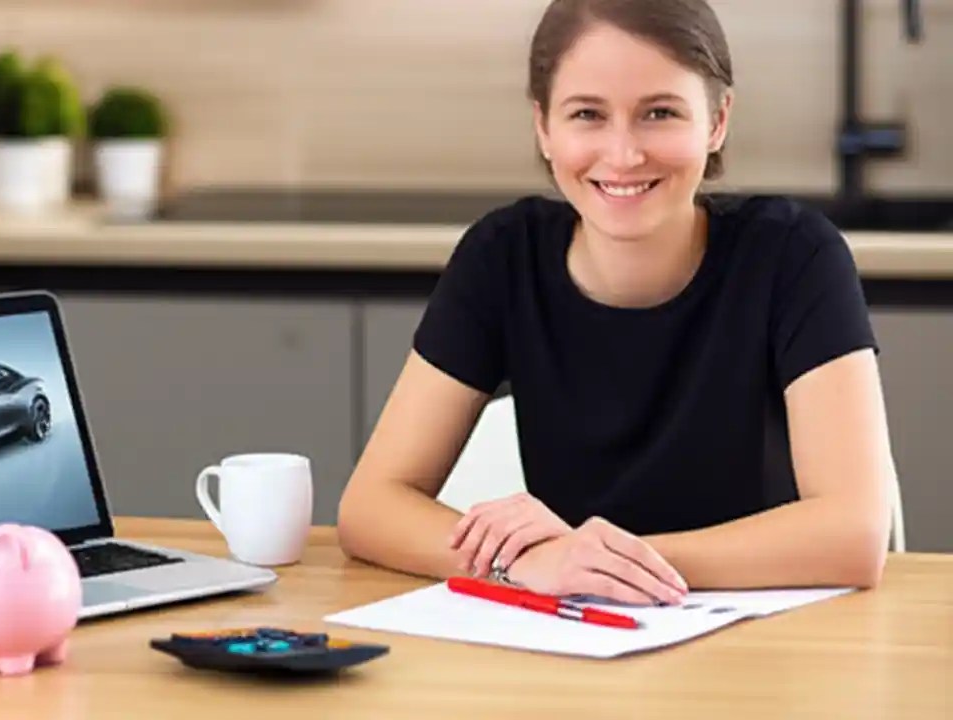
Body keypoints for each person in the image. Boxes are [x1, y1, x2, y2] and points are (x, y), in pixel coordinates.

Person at [336, 0, 898, 605]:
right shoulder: (502, 257)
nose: (625, 154)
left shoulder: (794, 256)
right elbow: (371, 506)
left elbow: (853, 533)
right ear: (543, 127)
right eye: (587, 115)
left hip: (777, 645)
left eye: (659, 113)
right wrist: (534, 562)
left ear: (717, 121)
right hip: (580, 644)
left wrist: (599, 563)